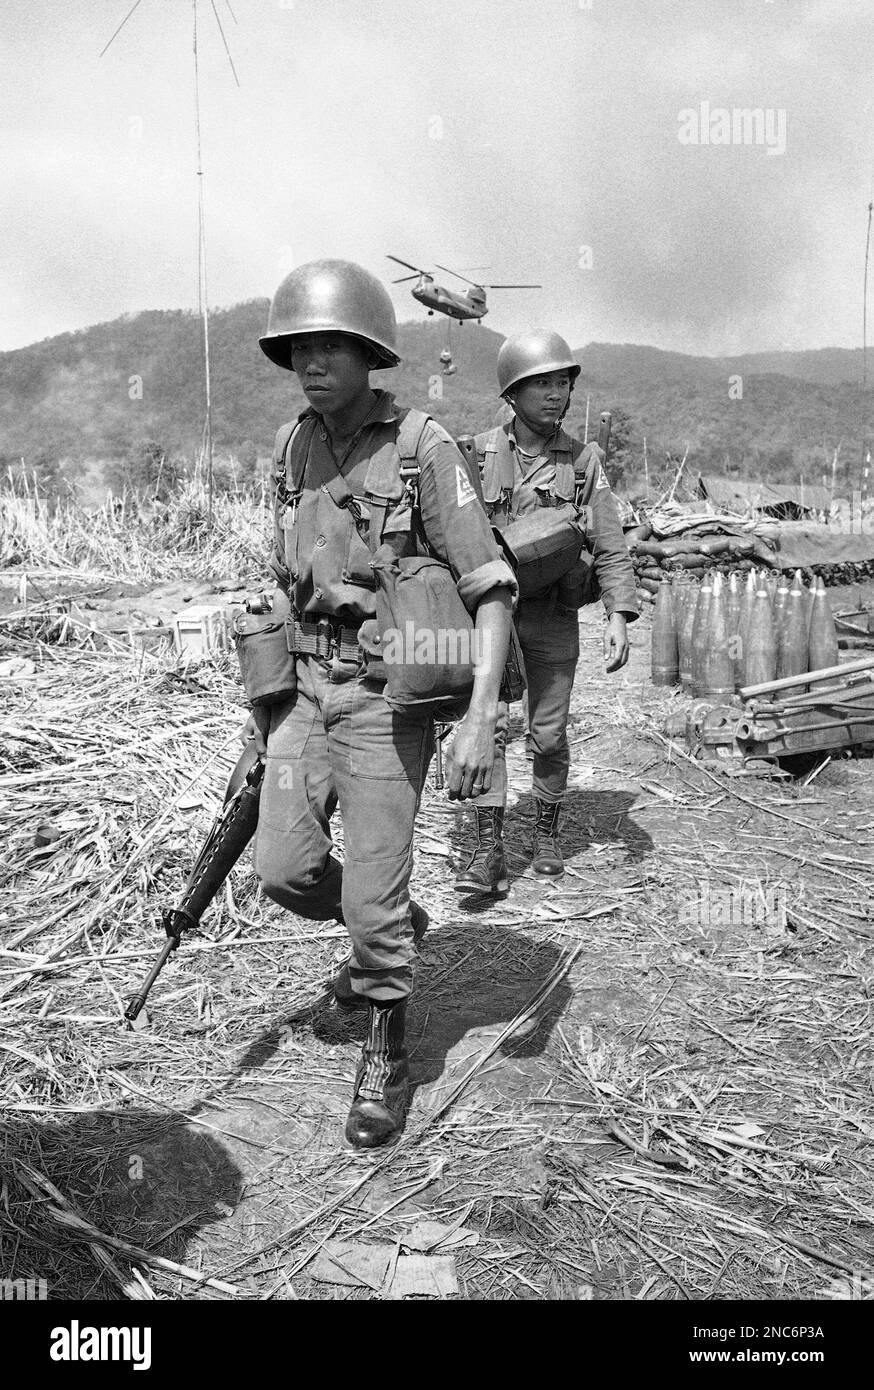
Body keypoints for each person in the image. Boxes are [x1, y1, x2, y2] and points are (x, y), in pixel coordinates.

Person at [243, 260, 517, 1149]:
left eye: (331, 346)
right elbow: (287, 577)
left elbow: (492, 588)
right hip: (304, 691)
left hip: (383, 697)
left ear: (369, 355)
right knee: (282, 870)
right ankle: (389, 923)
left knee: (370, 899)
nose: (312, 363)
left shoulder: (423, 447)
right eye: (299, 350)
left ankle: (386, 1038)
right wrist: (267, 703)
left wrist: (478, 718)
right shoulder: (295, 445)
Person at [454, 329, 637, 892]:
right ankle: (488, 849)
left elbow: (609, 540)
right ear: (512, 392)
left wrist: (616, 613)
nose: (555, 394)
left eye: (562, 382)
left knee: (549, 733)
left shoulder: (584, 462)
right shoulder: (473, 454)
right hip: (490, 617)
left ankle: (549, 832)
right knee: (489, 723)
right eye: (540, 384)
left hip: (553, 615)